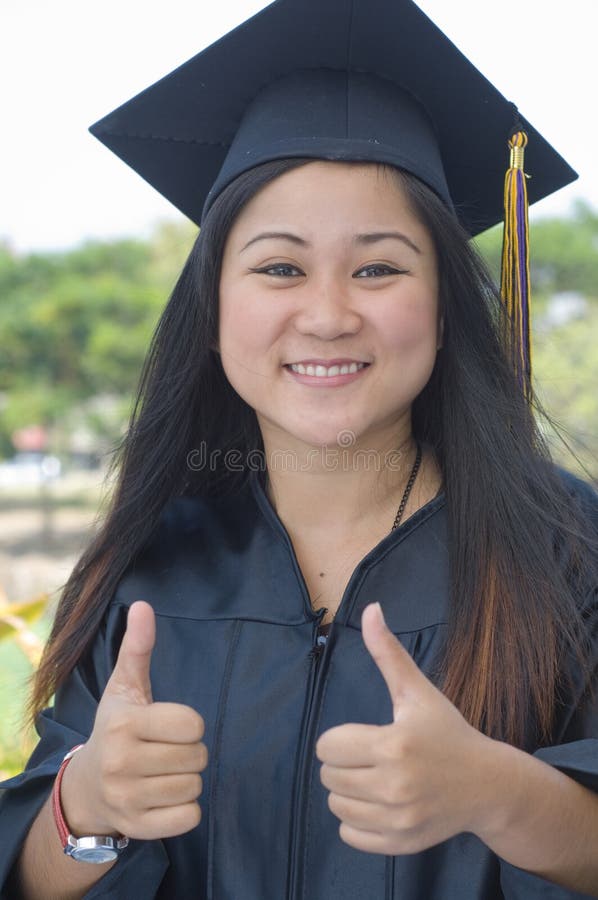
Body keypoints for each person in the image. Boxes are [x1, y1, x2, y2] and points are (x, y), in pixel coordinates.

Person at [2, 0, 598, 898]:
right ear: (213, 310)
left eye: (379, 268)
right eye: (279, 267)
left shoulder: (568, 553)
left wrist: (501, 794)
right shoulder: (153, 568)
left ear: (444, 308)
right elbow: (29, 872)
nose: (326, 314)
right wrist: (83, 807)